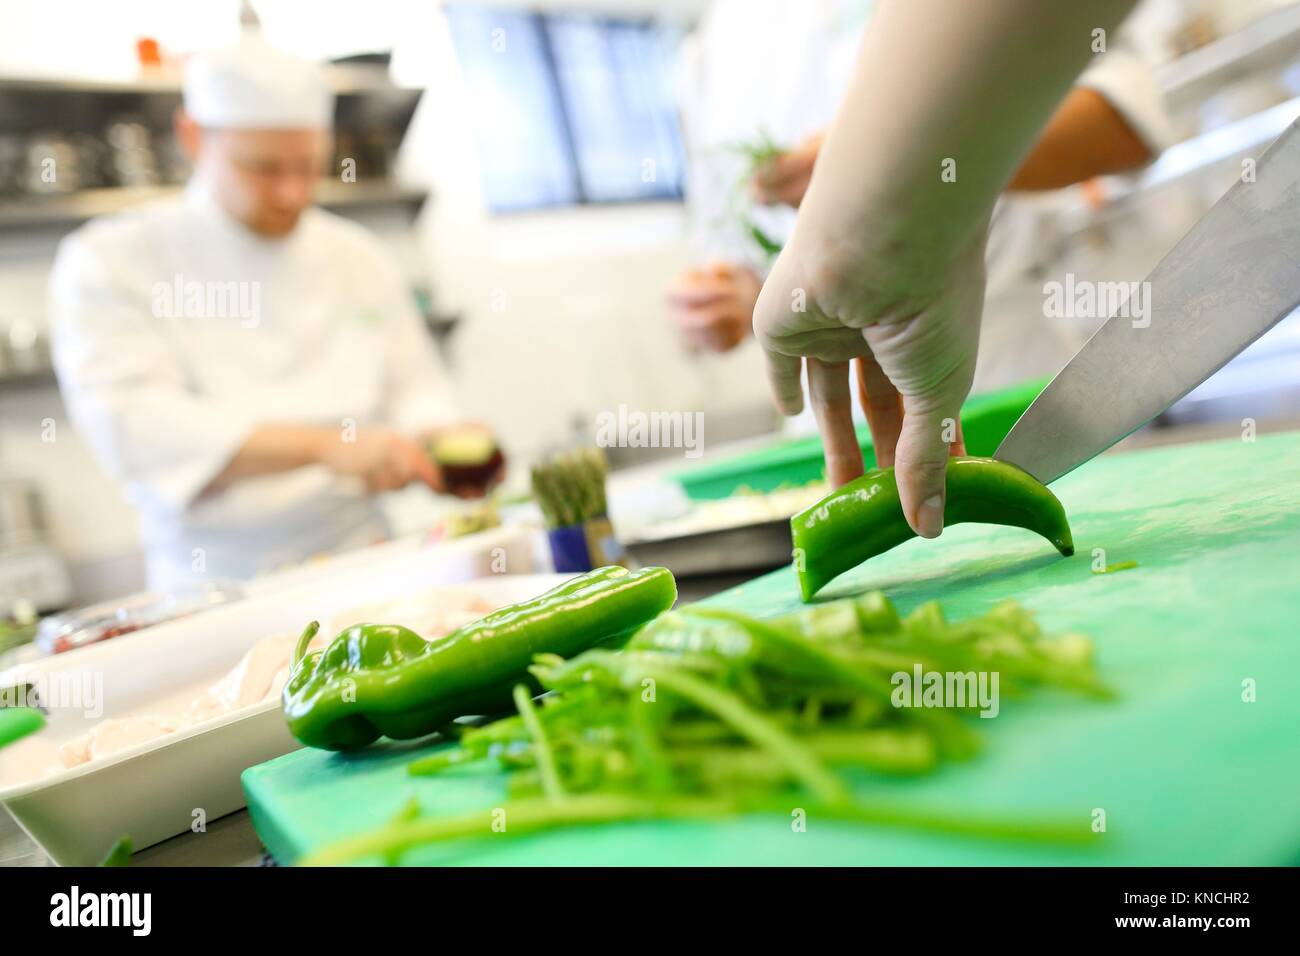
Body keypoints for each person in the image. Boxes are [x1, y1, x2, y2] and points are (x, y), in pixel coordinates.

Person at [50, 36, 500, 590]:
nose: (291, 192)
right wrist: (328, 446)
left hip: (369, 559)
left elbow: (414, 386)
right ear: (193, 136)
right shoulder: (111, 260)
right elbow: (133, 423)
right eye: (262, 168)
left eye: (308, 165)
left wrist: (439, 437)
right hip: (214, 582)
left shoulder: (358, 256)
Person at [751, 0, 1145, 540]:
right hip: (828, 377)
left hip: (1009, 369)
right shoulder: (720, 41)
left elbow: (1125, 118)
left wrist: (878, 183)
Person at [668, 0, 1169, 394]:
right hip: (821, 411)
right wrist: (731, 298)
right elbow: (734, 253)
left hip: (996, 370)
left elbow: (1126, 121)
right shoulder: (716, 40)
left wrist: (894, 170)